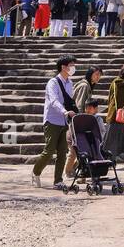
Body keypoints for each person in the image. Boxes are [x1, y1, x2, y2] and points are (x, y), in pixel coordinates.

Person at [31, 57, 78, 189]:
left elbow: (70, 101)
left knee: (62, 151)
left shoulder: (70, 83)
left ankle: (58, 180)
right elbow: (54, 101)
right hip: (52, 120)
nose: (73, 67)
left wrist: (71, 112)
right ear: (63, 67)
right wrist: (64, 112)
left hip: (64, 121)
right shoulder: (53, 83)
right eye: (71, 65)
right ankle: (36, 172)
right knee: (49, 150)